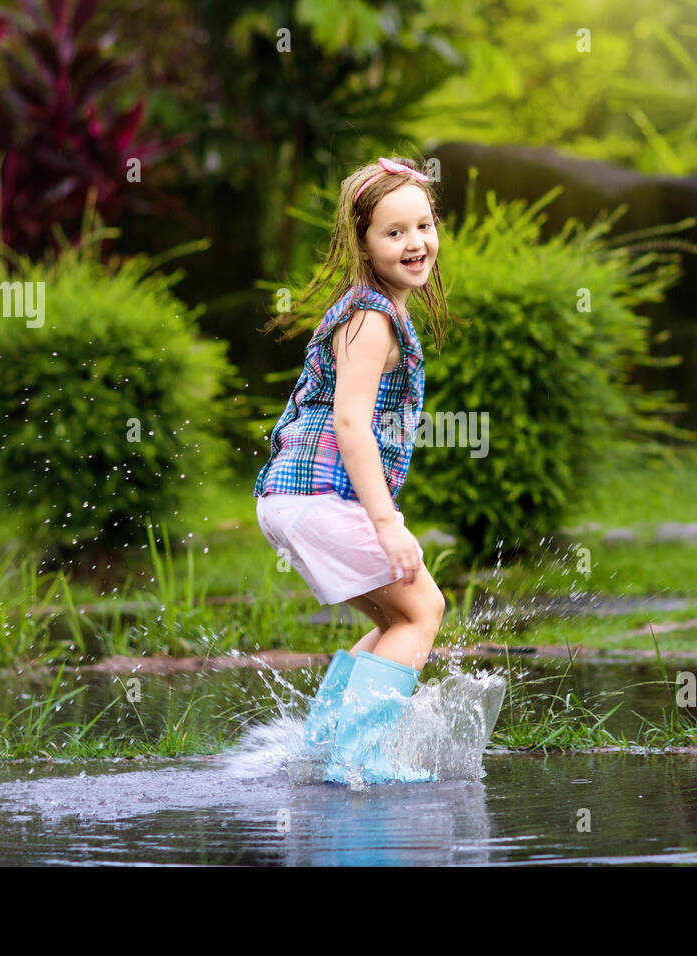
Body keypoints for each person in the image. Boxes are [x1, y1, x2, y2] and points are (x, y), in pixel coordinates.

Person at [252, 156, 459, 784]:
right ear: (364, 245)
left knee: (398, 618)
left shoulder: (373, 311)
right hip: (314, 499)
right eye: (393, 233)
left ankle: (323, 741)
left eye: (422, 226)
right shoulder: (370, 320)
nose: (415, 243)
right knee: (424, 608)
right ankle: (361, 759)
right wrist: (388, 523)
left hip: (291, 500)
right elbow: (350, 426)